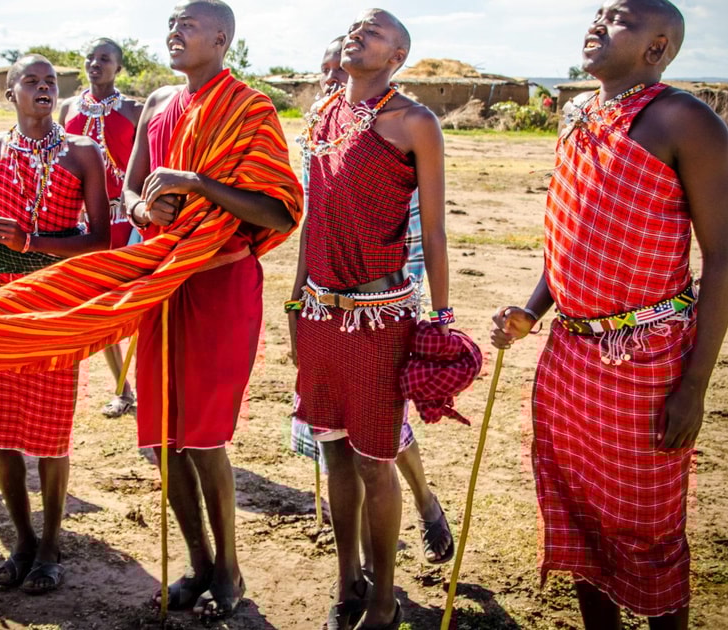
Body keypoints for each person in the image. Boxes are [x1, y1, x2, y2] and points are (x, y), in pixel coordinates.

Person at [489, 2, 728, 628]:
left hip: (648, 362)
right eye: (597, 13)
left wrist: (695, 385)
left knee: (649, 528)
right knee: (576, 513)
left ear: (656, 48)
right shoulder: (580, 115)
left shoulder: (684, 120)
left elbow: (723, 259)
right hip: (569, 357)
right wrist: (533, 310)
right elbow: (571, 240)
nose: (597, 24)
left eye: (619, 18)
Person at [122, 0, 300, 621]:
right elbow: (130, 187)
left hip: (221, 283)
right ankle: (197, 563)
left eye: (188, 24)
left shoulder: (250, 109)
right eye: (171, 23)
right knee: (163, 440)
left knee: (203, 439)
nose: (174, 32)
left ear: (221, 39)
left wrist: (197, 185)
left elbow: (278, 209)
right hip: (162, 283)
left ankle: (228, 568)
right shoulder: (156, 105)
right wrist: (144, 210)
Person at [290, 9, 452, 629]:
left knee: (374, 461)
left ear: (396, 57)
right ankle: (348, 583)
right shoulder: (324, 115)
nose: (359, 33)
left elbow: (433, 232)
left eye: (375, 32)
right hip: (319, 312)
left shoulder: (414, 122)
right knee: (333, 454)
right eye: (356, 26)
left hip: (380, 318)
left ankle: (384, 600)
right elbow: (315, 218)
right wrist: (295, 302)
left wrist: (441, 317)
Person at [0, 55, 111, 595]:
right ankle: (22, 541)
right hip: (1, 302)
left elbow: (100, 239)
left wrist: (32, 243)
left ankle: (50, 545)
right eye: (31, 81)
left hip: (57, 301)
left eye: (50, 82)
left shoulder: (83, 152)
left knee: (50, 433)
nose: (43, 87)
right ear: (10, 93)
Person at [57, 38, 145, 418]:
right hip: (81, 224)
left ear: (118, 68)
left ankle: (150, 383)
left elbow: (147, 164)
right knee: (98, 306)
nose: (95, 64)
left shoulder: (134, 110)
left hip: (126, 221)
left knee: (134, 304)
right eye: (90, 58)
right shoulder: (67, 108)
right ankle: (123, 389)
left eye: (104, 59)